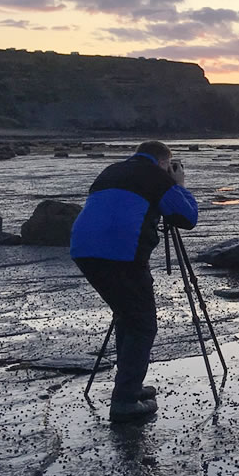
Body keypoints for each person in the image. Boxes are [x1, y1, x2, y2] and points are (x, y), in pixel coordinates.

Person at [70, 141, 198, 422]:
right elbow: (188, 218)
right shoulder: (156, 176)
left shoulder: (111, 170)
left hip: (83, 249)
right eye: (170, 165)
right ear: (164, 162)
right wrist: (179, 185)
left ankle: (130, 387)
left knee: (128, 316)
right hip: (121, 255)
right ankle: (124, 401)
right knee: (142, 324)